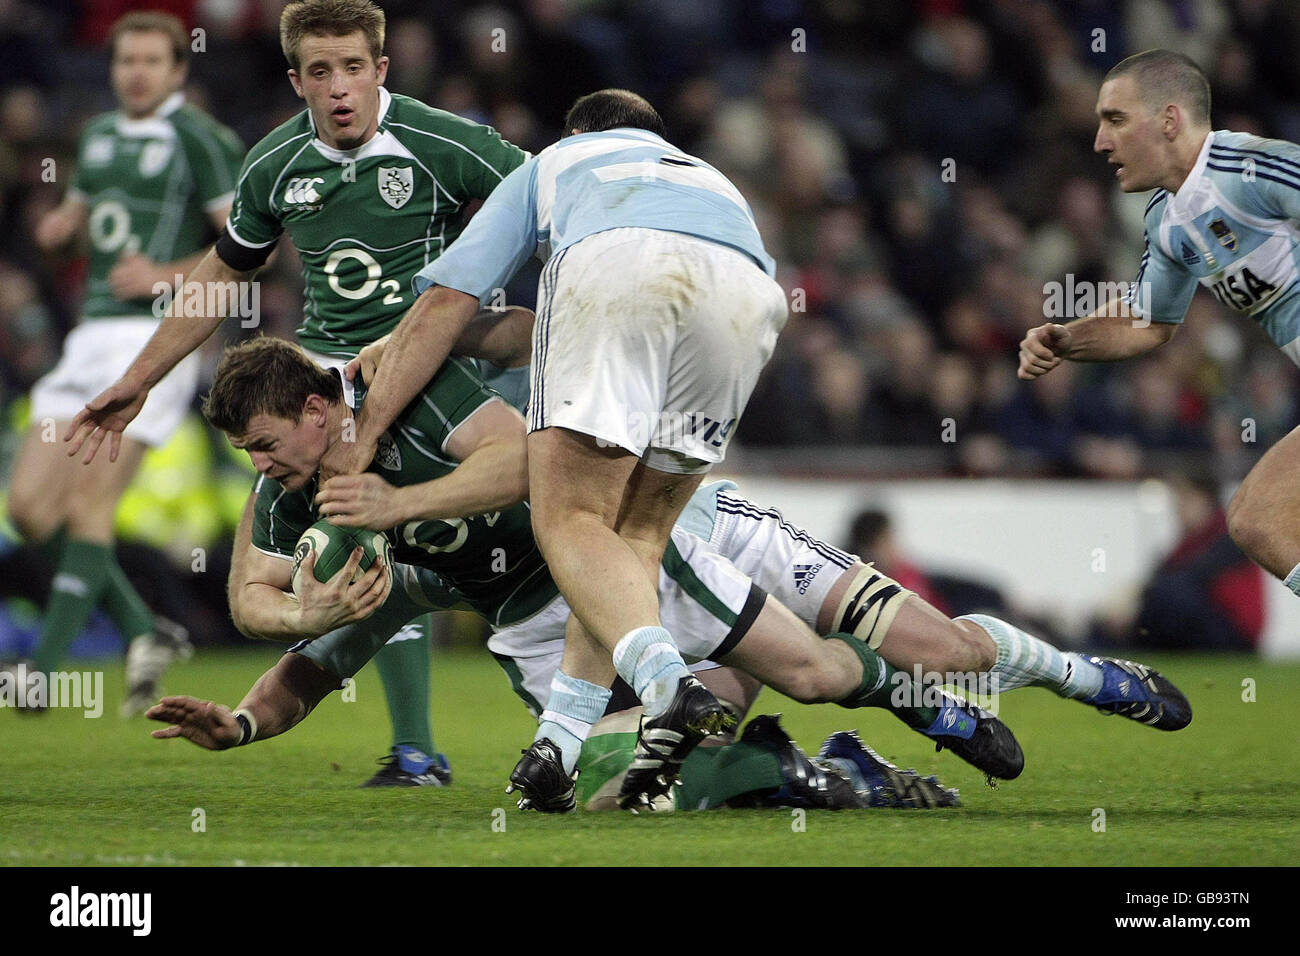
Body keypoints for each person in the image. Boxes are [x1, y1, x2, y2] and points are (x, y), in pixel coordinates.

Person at [169, 336, 1193, 811]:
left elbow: (528, 464)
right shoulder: (309, 513)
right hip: (547, 611)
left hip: (654, 516)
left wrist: (393, 507)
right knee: (617, 782)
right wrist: (255, 704)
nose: (262, 470)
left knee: (926, 646)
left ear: (317, 411)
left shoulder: (407, 398)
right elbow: (282, 626)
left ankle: (1069, 673)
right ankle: (832, 766)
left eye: (266, 444)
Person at [64, 0, 534, 785]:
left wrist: (517, 317)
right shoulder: (275, 164)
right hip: (321, 389)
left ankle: (433, 736)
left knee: (391, 537)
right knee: (339, 558)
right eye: (321, 72)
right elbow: (223, 273)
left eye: (354, 68)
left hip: (428, 374)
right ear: (297, 80)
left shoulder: (444, 143)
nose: (340, 88)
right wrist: (138, 380)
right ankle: (399, 739)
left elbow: (546, 200)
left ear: (381, 69)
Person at [322, 88, 790, 808]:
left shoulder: (555, 162)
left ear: (576, 130)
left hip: (621, 268)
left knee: (567, 518)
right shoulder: (705, 174)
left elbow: (450, 300)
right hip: (749, 293)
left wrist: (364, 436)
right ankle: (560, 743)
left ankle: (670, 687)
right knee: (633, 535)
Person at [5, 11, 241, 715]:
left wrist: (167, 275)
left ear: (178, 71)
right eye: (124, 60)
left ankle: (40, 674)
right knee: (28, 510)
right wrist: (59, 229)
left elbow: (248, 248)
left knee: (87, 507)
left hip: (156, 340)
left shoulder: (204, 139)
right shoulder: (100, 135)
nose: (135, 72)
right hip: (88, 338)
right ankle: (147, 626)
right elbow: (84, 220)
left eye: (150, 61)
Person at [1019, 48, 1300, 607]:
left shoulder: (1250, 168)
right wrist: (1068, 339)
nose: (1101, 141)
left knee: (1258, 516)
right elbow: (1149, 322)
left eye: (1116, 120)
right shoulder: (1166, 220)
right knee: (1255, 521)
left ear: (1169, 120)